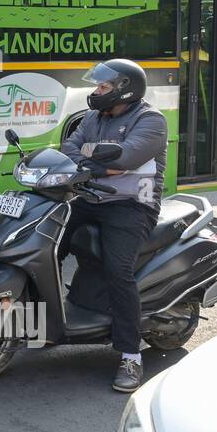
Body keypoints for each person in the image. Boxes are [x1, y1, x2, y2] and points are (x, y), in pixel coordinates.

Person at [58, 58, 169, 393]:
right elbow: (68, 149)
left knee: (117, 270)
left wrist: (94, 158)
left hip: (132, 205)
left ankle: (131, 356)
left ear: (124, 89)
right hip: (91, 198)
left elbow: (124, 158)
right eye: (98, 85)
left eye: (103, 86)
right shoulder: (94, 117)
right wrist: (98, 160)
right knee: (48, 242)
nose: (97, 91)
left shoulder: (151, 120)